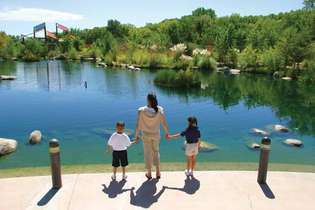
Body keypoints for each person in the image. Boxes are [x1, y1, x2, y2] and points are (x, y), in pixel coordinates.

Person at [135, 93, 169, 179]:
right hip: (156, 134)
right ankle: (158, 172)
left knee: (147, 153)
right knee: (156, 152)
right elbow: (164, 124)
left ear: (147, 100)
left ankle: (149, 173)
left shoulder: (141, 110)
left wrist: (136, 136)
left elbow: (138, 125)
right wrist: (167, 133)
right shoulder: (160, 110)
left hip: (146, 135)